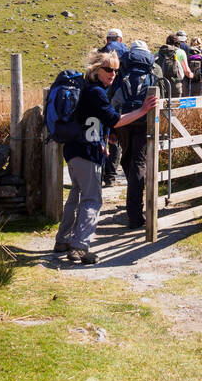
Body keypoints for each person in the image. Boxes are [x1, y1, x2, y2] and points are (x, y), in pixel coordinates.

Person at [53, 49, 156, 265]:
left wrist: (104, 137)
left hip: (74, 151)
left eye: (116, 71)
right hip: (86, 153)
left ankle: (63, 241)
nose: (113, 74)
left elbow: (91, 120)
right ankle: (80, 247)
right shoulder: (96, 92)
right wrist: (143, 110)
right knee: (92, 199)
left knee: (76, 195)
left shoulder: (88, 89)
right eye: (108, 69)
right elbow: (115, 119)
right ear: (96, 69)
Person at [113, 39, 157, 233]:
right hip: (145, 118)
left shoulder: (122, 64)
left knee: (128, 159)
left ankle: (134, 205)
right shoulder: (153, 67)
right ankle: (135, 215)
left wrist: (110, 127)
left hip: (123, 118)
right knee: (138, 163)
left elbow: (111, 92)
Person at [96, 29, 128, 185]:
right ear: (120, 39)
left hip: (100, 97)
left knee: (101, 135)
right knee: (114, 137)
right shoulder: (127, 53)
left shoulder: (101, 53)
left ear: (107, 39)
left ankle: (99, 172)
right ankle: (111, 176)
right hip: (119, 100)